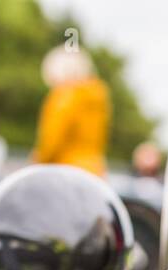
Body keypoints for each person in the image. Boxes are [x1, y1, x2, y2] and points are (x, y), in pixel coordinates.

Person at [32, 46, 110, 176]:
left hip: (64, 172)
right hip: (95, 172)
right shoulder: (98, 96)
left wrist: (38, 163)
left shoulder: (64, 96)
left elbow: (51, 141)